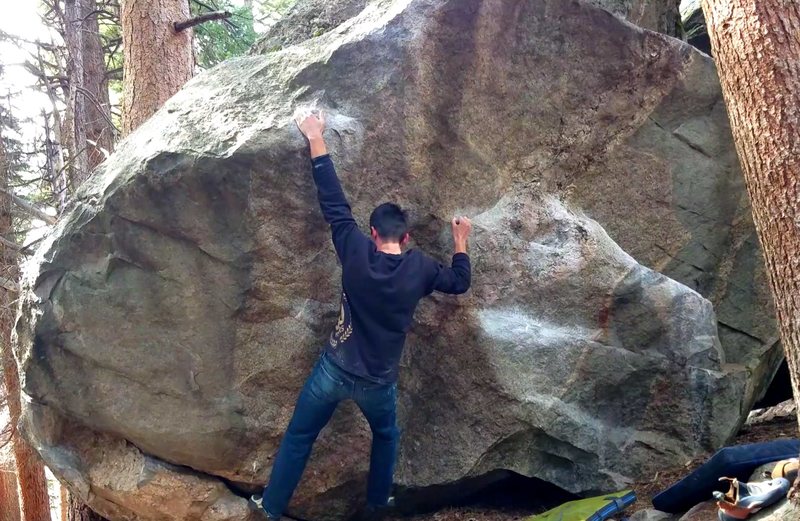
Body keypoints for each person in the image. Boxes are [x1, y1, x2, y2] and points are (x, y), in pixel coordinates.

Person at [250, 110, 472, 520]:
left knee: (300, 436)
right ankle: (375, 507)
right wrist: (460, 239)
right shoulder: (419, 267)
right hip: (378, 381)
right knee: (386, 436)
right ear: (405, 238)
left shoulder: (354, 249)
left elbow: (332, 201)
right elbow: (460, 281)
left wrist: (315, 135)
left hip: (334, 369)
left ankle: (271, 508)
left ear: (373, 233)